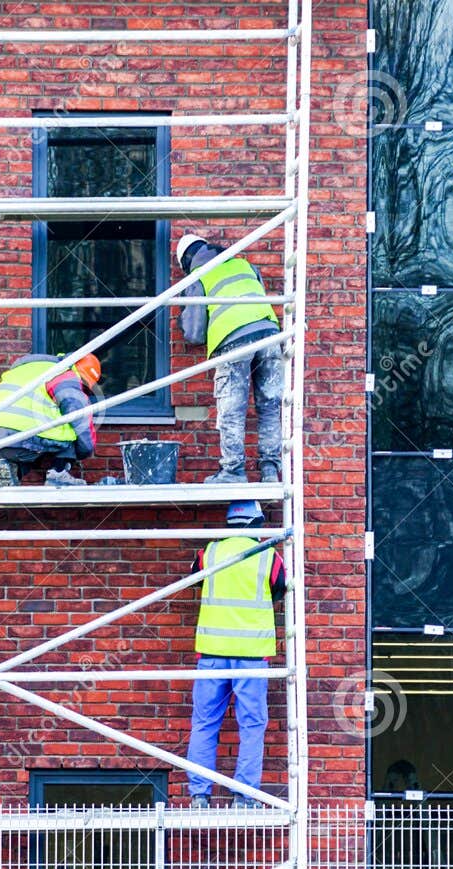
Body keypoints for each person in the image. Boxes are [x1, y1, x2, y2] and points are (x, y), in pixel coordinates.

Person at [187, 500, 287, 808]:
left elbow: (195, 577)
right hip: (252, 656)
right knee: (252, 726)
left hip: (212, 655)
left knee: (204, 723)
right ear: (257, 524)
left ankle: (199, 796)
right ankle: (245, 797)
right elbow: (280, 589)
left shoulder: (210, 552)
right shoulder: (268, 556)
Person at [176, 232, 285, 484]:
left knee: (231, 409)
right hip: (269, 333)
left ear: (188, 260)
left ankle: (233, 471)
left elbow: (193, 333)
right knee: (269, 407)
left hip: (234, 338)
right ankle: (270, 471)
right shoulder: (244, 264)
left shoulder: (198, 276)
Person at [0, 353, 101, 487]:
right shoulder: (64, 374)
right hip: (22, 441)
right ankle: (58, 474)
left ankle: (11, 468)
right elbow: (78, 415)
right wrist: (85, 450)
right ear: (79, 371)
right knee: (71, 431)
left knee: (34, 448)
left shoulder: (21, 370)